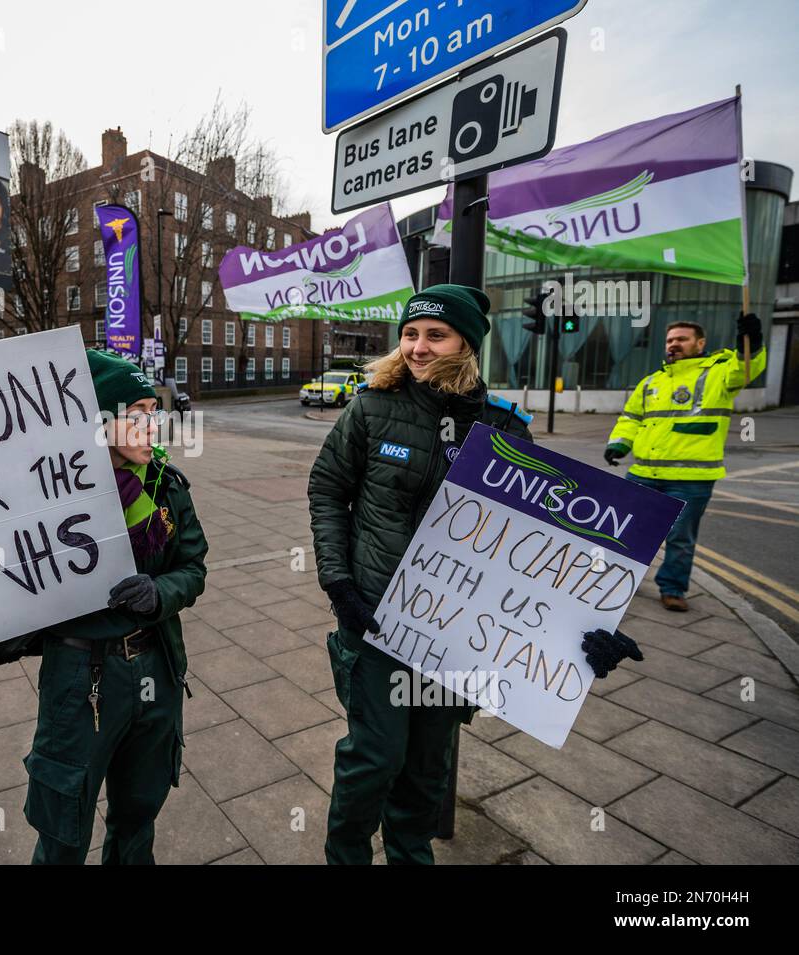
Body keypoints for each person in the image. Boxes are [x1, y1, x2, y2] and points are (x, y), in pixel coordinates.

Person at [308, 284, 643, 865]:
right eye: (410, 333)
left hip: (456, 638)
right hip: (377, 620)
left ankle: (411, 856)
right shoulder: (371, 406)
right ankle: (346, 856)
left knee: (426, 770)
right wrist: (339, 585)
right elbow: (327, 489)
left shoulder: (502, 426)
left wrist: (589, 627)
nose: (417, 347)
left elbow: (546, 546)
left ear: (467, 343)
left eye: (435, 335)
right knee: (375, 758)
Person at [0, 350, 208, 864]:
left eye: (153, 409)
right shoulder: (36, 490)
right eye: (134, 412)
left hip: (155, 669)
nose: (151, 423)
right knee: (62, 827)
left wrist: (162, 593)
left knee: (138, 813)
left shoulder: (164, 482)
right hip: (80, 678)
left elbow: (193, 566)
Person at [604, 314, 765, 612]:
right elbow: (631, 418)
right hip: (643, 473)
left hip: (691, 478)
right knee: (624, 529)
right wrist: (619, 443)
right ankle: (618, 579)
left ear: (700, 343)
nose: (674, 344)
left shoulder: (718, 373)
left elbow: (746, 369)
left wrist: (751, 344)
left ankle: (673, 588)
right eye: (670, 340)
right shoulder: (652, 381)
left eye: (682, 339)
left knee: (680, 537)